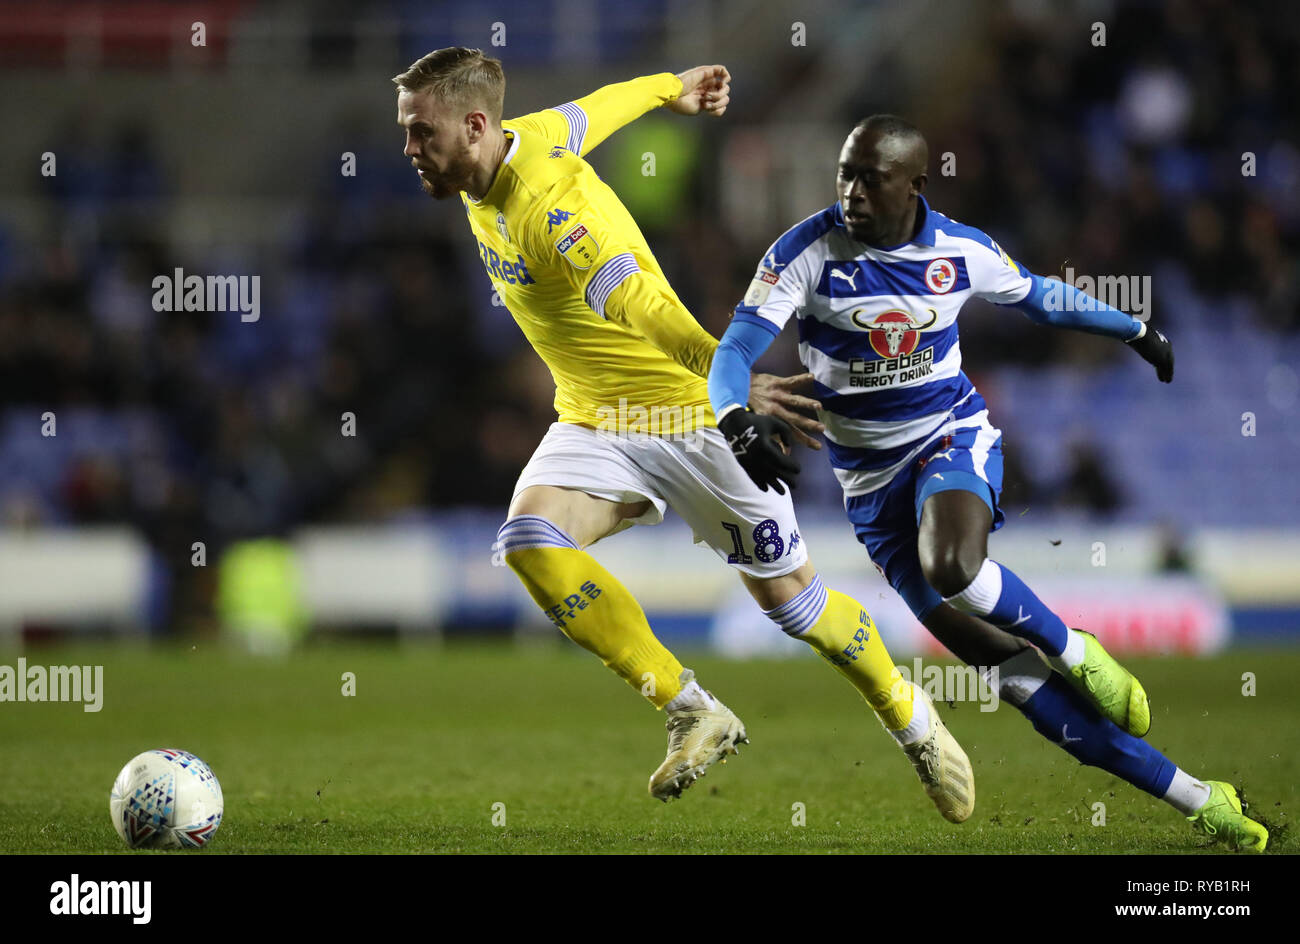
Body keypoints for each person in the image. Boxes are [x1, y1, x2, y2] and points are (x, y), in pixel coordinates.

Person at [393, 50, 974, 817]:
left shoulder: (552, 207)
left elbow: (640, 304)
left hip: (685, 413)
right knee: (531, 541)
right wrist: (671, 89)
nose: (408, 150)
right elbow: (596, 108)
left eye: (419, 132)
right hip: (596, 418)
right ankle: (691, 706)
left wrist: (727, 377)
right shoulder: (520, 139)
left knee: (794, 608)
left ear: (474, 127)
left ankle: (907, 712)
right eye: (406, 132)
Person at [707, 114, 1267, 851]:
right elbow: (734, 352)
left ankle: (1076, 647)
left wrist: (1133, 329)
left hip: (951, 439)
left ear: (915, 184)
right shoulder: (805, 253)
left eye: (870, 178)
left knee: (955, 568)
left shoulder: (959, 250)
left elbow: (1040, 296)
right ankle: (1200, 797)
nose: (852, 192)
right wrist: (735, 419)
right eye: (845, 174)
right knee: (1017, 686)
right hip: (871, 493)